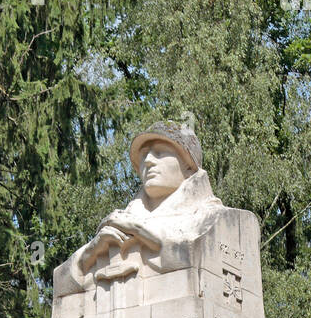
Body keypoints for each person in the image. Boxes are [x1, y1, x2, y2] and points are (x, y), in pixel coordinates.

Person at [54, 121, 224, 295]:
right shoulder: (118, 222)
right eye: (144, 155)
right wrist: (91, 252)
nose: (148, 161)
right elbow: (61, 285)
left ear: (189, 165)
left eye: (159, 152)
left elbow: (196, 255)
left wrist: (139, 230)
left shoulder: (214, 217)